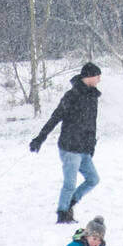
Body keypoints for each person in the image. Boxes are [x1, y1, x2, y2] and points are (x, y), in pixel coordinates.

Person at [29, 62, 102, 224]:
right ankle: (62, 214)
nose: (99, 80)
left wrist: (91, 145)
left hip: (84, 148)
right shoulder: (72, 96)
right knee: (70, 183)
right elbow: (55, 118)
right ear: (89, 77)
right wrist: (40, 138)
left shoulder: (93, 96)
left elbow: (91, 123)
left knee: (93, 179)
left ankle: (69, 204)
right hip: (70, 147)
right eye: (98, 76)